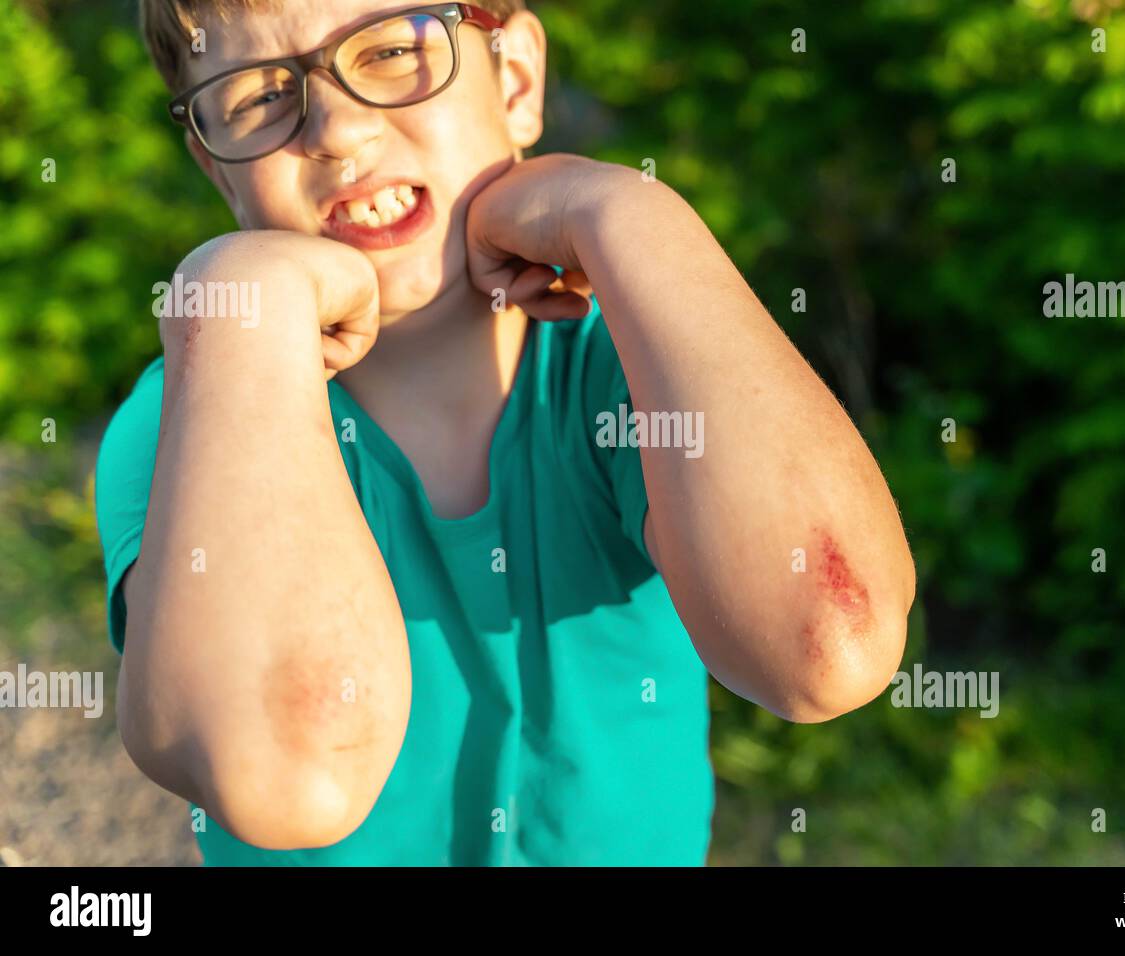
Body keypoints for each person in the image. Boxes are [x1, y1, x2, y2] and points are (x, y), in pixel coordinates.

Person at [94, 0, 916, 865]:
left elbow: (827, 645)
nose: (335, 131)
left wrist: (625, 211)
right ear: (218, 170)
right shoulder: (187, 427)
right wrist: (237, 303)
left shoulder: (632, 371)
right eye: (258, 100)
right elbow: (286, 773)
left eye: (388, 50)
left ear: (516, 79)